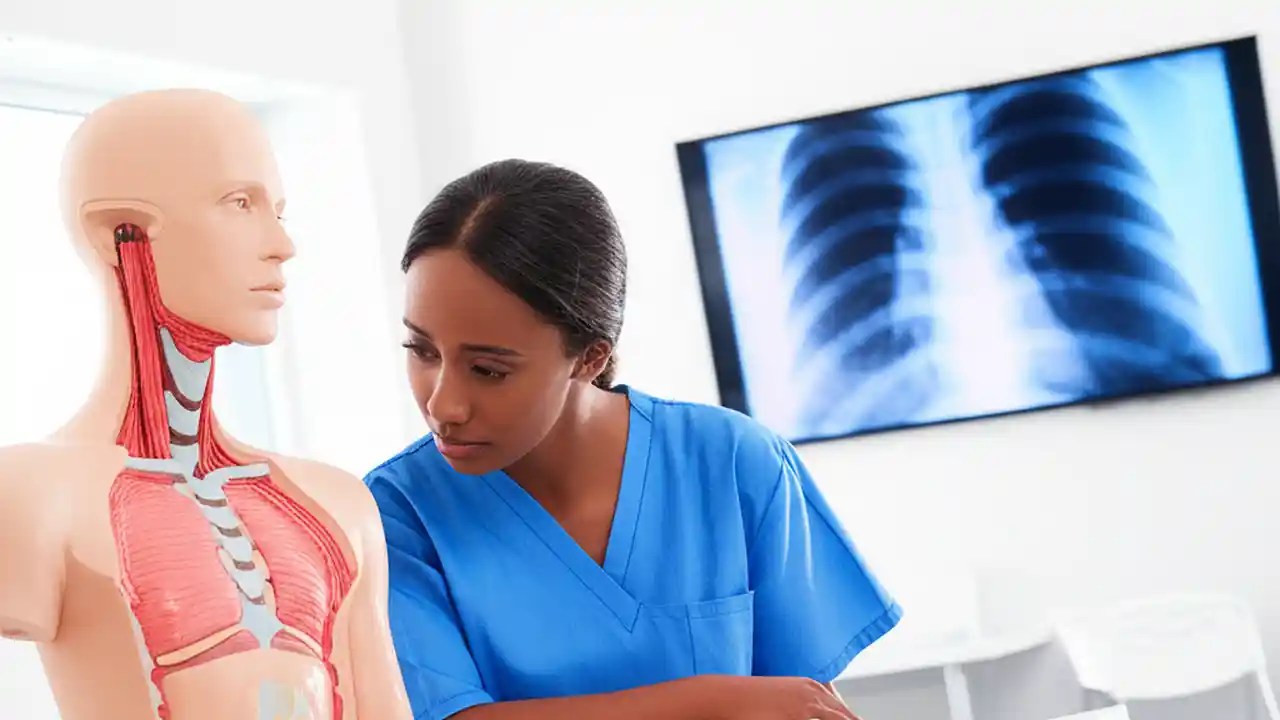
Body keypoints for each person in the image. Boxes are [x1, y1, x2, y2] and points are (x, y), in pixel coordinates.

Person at [364, 158, 902, 720]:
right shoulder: (394, 515)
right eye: (422, 351)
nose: (442, 405)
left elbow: (801, 703)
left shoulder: (733, 462)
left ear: (589, 357)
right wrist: (712, 701)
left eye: (488, 370)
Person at [0, 88, 412, 720]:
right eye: (240, 203)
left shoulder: (340, 502)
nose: (282, 244)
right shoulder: (31, 491)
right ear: (117, 231)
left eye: (278, 210)